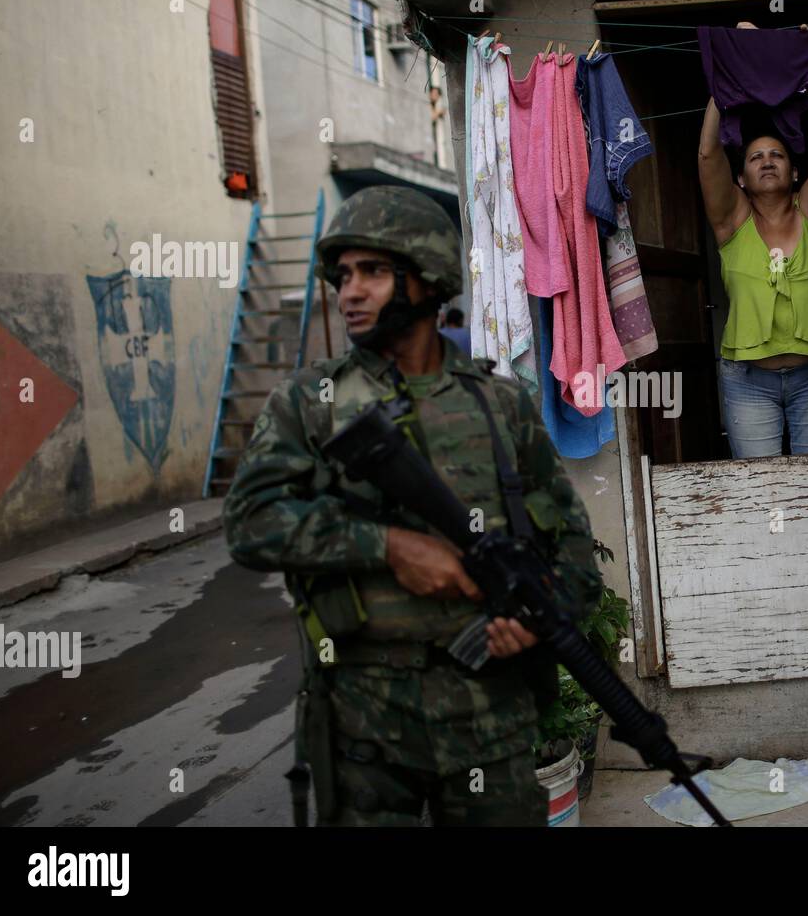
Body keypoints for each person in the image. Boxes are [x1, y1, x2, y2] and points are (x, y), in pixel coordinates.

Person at [222, 185, 603, 826]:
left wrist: (541, 617)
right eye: (343, 275)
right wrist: (388, 547)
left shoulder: (498, 405)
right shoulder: (310, 402)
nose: (350, 291)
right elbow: (249, 522)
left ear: (427, 278)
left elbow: (571, 544)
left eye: (373, 271)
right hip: (363, 718)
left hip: (491, 713)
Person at [698, 21, 808, 459]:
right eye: (756, 157)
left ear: (795, 171)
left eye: (778, 155)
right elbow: (708, 154)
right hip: (748, 384)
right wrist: (730, 69)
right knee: (760, 496)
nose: (767, 161)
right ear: (740, 178)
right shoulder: (731, 224)